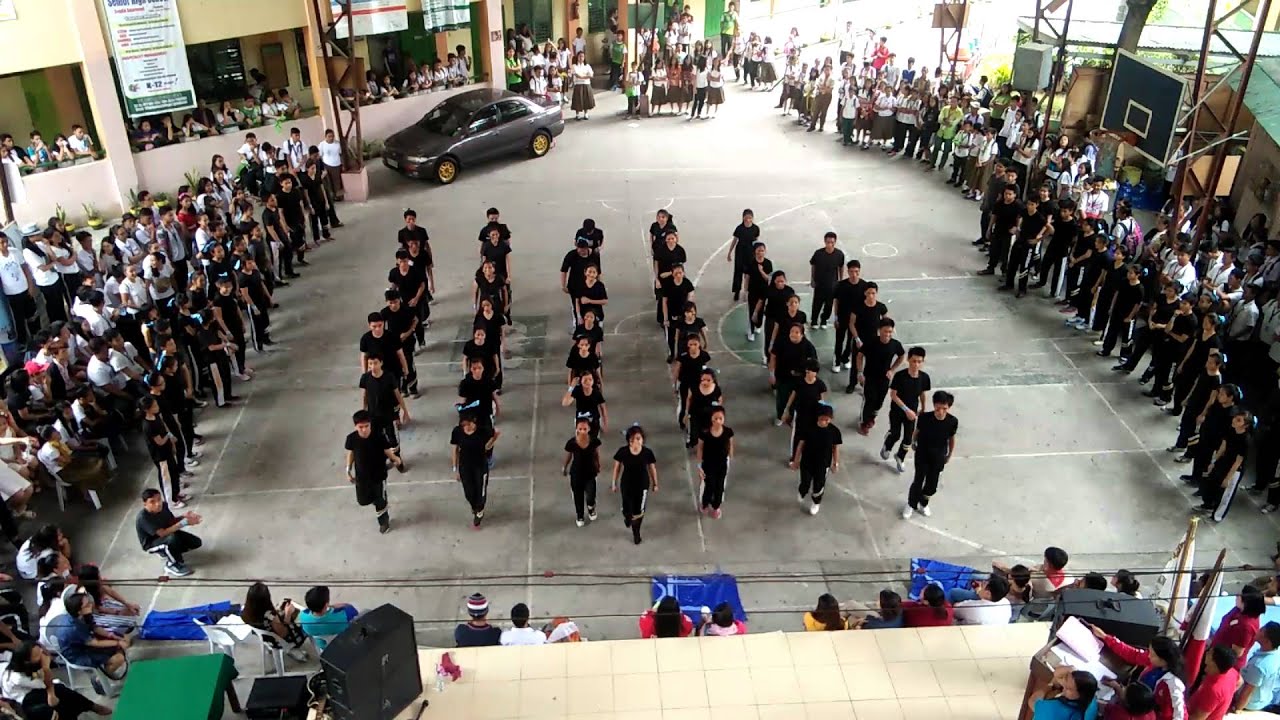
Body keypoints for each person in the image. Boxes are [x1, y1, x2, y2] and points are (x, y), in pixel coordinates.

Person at [1090, 628, 1186, 720]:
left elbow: (1180, 715)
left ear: (1163, 660)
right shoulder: (1154, 661)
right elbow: (1132, 654)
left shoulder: (1173, 685)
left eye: (1152, 654)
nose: (1148, 655)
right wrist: (1105, 637)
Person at [0, 640, 112, 719]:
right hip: (25, 698)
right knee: (58, 694)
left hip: (35, 686)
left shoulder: (18, 664)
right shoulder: (18, 678)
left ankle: (91, 706)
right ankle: (87, 708)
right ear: (27, 661)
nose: (42, 655)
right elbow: (46, 684)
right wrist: (46, 668)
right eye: (37, 655)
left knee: (59, 691)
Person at [45, 593, 130, 690]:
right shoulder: (74, 628)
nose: (91, 605)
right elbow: (94, 643)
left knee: (123, 639)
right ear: (79, 611)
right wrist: (117, 643)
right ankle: (98, 680)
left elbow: (94, 627)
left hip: (85, 642)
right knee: (119, 658)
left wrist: (112, 636)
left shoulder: (84, 615)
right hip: (78, 654)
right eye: (87, 605)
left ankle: (107, 667)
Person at [345, 410, 404, 534]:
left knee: (379, 500)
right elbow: (351, 453)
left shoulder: (379, 436)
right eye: (361, 427)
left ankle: (384, 522)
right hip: (361, 477)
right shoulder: (351, 439)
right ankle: (379, 499)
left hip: (379, 475)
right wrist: (348, 469)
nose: (364, 430)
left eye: (367, 426)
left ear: (370, 424)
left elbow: (387, 450)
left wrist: (395, 459)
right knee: (363, 500)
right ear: (355, 426)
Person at [902, 391, 958, 519]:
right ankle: (911, 504)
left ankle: (924, 503)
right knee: (918, 480)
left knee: (932, 484)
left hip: (938, 456)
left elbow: (951, 439)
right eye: (938, 408)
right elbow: (917, 431)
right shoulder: (924, 418)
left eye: (944, 408)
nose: (941, 412)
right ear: (934, 405)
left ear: (949, 407)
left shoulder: (952, 421)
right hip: (923, 454)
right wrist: (913, 442)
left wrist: (949, 455)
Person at [882, 347, 931, 473]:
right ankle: (887, 445)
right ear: (908, 360)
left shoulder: (924, 378)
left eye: (919, 361)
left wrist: (923, 408)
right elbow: (893, 394)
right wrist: (906, 410)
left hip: (912, 412)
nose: (916, 364)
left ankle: (900, 456)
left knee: (908, 438)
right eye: (914, 361)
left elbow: (922, 394)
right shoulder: (900, 376)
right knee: (896, 433)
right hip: (897, 410)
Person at [135, 488, 201, 577]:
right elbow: (162, 533)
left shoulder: (164, 506)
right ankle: (172, 564)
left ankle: (168, 551)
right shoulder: (143, 518)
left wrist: (183, 517)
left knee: (195, 542)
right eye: (152, 502)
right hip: (152, 543)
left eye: (159, 499)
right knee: (171, 538)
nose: (158, 504)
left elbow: (171, 522)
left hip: (167, 534)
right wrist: (184, 523)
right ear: (145, 504)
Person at [790, 403, 841, 516]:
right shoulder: (808, 428)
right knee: (805, 481)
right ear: (819, 417)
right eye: (825, 419)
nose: (827, 421)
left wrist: (835, 463)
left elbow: (835, 448)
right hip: (807, 462)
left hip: (823, 464)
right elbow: (800, 445)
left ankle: (816, 503)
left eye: (829, 419)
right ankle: (802, 491)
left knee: (819, 485)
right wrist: (796, 460)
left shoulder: (834, 431)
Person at [452, 409, 499, 528]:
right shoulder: (457, 432)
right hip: (464, 466)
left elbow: (487, 447)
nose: (466, 426)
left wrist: (494, 438)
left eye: (468, 423)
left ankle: (480, 510)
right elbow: (455, 450)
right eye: (464, 424)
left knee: (480, 490)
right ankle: (475, 507)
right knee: (469, 492)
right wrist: (455, 468)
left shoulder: (483, 431)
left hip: (480, 466)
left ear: (474, 421)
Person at [612, 424, 658, 545]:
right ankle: (627, 515)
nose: (636, 442)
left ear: (642, 439)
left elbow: (652, 468)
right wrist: (614, 483)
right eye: (632, 439)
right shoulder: (623, 452)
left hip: (642, 485)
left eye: (638, 438)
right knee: (627, 508)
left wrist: (655, 483)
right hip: (627, 484)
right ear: (628, 441)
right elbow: (617, 468)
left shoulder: (647, 453)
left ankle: (636, 533)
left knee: (638, 511)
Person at [241, 582, 309, 662]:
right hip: (278, 640)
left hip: (264, 637)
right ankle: (292, 649)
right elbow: (284, 633)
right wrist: (288, 614)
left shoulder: (245, 612)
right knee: (304, 624)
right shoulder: (270, 616)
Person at [696, 405, 734, 518]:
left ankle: (716, 506)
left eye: (720, 418)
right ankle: (705, 503)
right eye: (715, 418)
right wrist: (699, 466)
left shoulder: (728, 432)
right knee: (709, 485)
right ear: (711, 419)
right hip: (708, 464)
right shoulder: (705, 433)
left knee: (720, 486)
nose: (718, 421)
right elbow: (700, 449)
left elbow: (730, 445)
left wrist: (730, 457)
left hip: (722, 464)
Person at [561, 418, 600, 527]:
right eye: (580, 428)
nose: (582, 430)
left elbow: (596, 454)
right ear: (576, 429)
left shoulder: (594, 441)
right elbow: (568, 456)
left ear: (589, 429)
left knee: (591, 495)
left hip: (590, 473)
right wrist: (564, 467)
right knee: (578, 496)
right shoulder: (572, 443)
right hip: (576, 474)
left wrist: (598, 465)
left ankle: (591, 507)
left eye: (585, 428)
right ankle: (580, 515)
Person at [1234, 620, 1280, 712]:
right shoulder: (1276, 653)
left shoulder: (1259, 666)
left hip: (1251, 703)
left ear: (1267, 641)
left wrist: (1237, 708)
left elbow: (1247, 692)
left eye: (1261, 630)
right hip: (1265, 698)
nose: (1258, 630)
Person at [298, 585, 359, 650]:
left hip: (324, 646)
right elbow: (353, 611)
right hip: (342, 641)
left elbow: (304, 630)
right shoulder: (342, 615)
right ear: (326, 605)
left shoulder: (303, 616)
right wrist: (334, 607)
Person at [1027, 666, 1099, 720]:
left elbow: (1032, 701)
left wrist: (1050, 686)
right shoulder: (1092, 700)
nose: (1064, 689)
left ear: (1080, 695)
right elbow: (1058, 674)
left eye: (1069, 689)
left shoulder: (1053, 709)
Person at [1186, 646, 1239, 720]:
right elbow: (1240, 681)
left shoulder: (1213, 690)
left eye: (1210, 652)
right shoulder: (1231, 672)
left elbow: (1198, 718)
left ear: (1214, 662)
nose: (1207, 652)